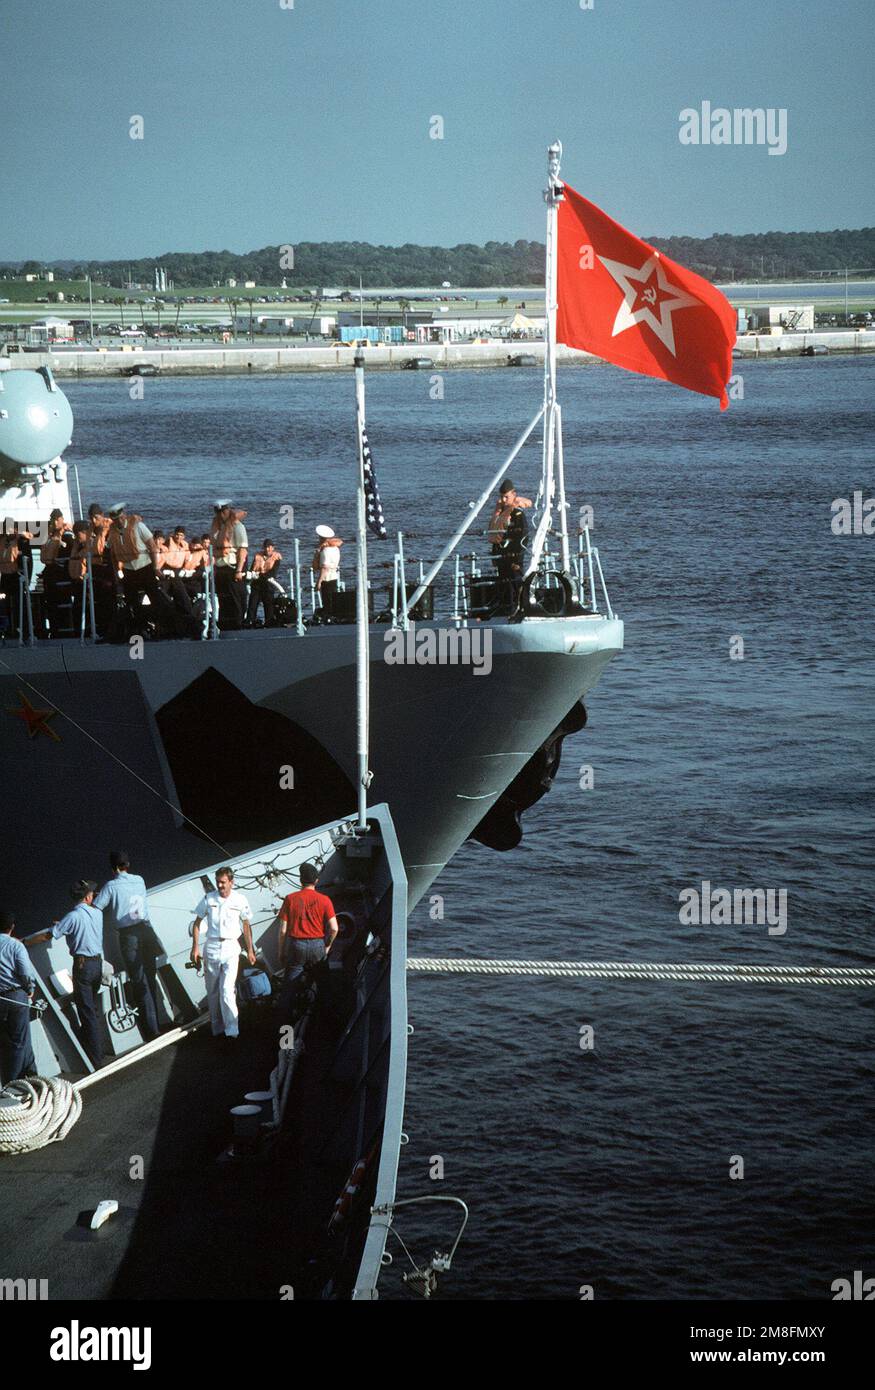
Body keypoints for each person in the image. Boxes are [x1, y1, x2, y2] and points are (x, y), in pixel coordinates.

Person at [94, 850, 171, 1042]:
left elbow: (96, 908)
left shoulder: (110, 886)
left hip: (129, 936)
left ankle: (151, 1031)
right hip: (146, 930)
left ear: (113, 869)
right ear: (127, 865)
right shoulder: (140, 880)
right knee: (150, 978)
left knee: (139, 981)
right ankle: (160, 1022)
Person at [26, 880, 105, 1068]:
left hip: (83, 967)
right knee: (92, 1008)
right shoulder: (97, 913)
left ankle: (95, 1059)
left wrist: (26, 943)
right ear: (87, 897)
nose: (93, 895)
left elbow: (49, 936)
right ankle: (96, 1049)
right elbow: (81, 926)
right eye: (92, 893)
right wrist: (65, 924)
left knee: (86, 1012)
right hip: (98, 964)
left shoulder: (72, 917)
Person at [190, 866, 256, 1040]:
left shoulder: (240, 900)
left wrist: (250, 950)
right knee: (212, 992)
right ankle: (217, 1029)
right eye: (218, 882)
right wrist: (195, 947)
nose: (220, 885)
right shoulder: (208, 899)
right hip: (211, 948)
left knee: (226, 990)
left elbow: (246, 926)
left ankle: (232, 1031)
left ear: (231, 882)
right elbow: (197, 923)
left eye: (223, 882)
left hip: (231, 948)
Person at [107, 503, 188, 637]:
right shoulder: (113, 532)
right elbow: (113, 553)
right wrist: (117, 572)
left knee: (156, 598)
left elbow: (152, 547)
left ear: (124, 515)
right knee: (132, 601)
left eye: (121, 518)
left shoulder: (138, 526)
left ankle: (166, 627)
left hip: (145, 567)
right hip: (128, 571)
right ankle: (140, 629)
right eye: (116, 519)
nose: (119, 521)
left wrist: (156, 568)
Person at [276, 862, 339, 983]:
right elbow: (334, 928)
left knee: (289, 987)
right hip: (318, 946)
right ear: (316, 881)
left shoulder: (290, 898)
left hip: (296, 946)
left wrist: (281, 952)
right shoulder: (325, 900)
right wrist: (327, 946)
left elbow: (283, 930)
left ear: (301, 880)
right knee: (323, 986)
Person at [0, 910, 37, 1085]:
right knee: (18, 1042)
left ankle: (32, 1073)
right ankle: (11, 1085)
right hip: (15, 997)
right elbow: (24, 972)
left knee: (6, 1042)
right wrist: (30, 989)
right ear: (12, 927)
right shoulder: (15, 946)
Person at [487, 479, 532, 608]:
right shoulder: (501, 514)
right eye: (502, 497)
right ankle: (506, 606)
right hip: (502, 557)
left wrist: (517, 559)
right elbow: (498, 536)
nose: (504, 500)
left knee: (515, 582)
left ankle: (520, 607)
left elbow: (522, 537)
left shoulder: (517, 514)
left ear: (514, 495)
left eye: (506, 497)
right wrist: (495, 554)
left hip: (513, 557)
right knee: (504, 583)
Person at [210, 500, 248, 630]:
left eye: (223, 512)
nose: (221, 515)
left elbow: (242, 550)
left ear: (228, 511)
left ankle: (237, 625)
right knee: (223, 599)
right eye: (218, 512)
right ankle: (224, 626)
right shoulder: (217, 528)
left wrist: (239, 570)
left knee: (236, 599)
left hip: (232, 567)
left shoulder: (237, 527)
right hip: (220, 568)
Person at [245, 538, 284, 627]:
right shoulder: (257, 556)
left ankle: (269, 624)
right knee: (252, 606)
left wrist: (262, 576)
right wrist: (251, 575)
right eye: (266, 547)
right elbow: (252, 569)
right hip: (256, 585)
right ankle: (249, 623)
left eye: (270, 547)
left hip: (268, 585)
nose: (268, 549)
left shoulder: (276, 558)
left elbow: (273, 572)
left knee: (269, 606)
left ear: (273, 548)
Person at [312, 525, 343, 620]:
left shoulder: (325, 551)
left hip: (326, 578)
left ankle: (327, 618)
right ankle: (332, 617)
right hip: (334, 576)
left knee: (326, 600)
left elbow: (324, 568)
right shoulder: (336, 549)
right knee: (332, 599)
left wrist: (319, 581)